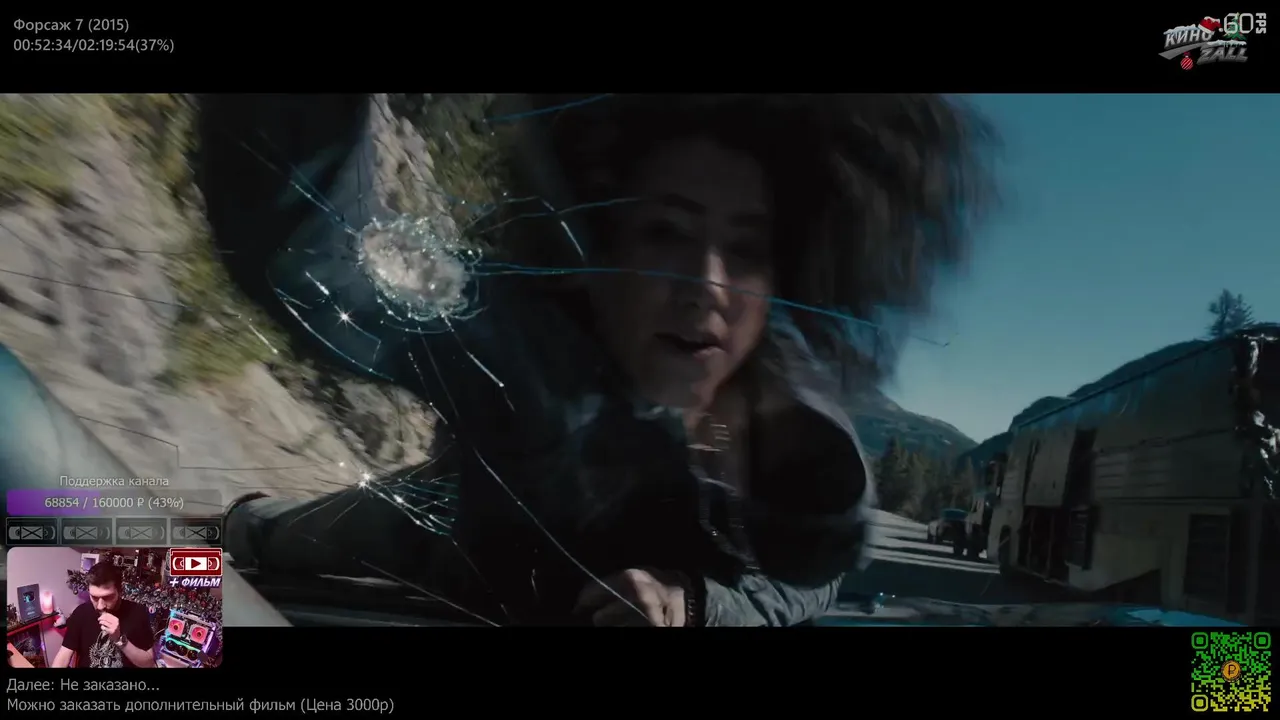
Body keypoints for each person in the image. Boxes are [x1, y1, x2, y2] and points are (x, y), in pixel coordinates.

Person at [206, 94, 997, 626]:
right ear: (597, 247)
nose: (708, 286)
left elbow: (815, 571)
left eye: (747, 249)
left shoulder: (795, 427)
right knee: (252, 547)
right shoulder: (528, 340)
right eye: (666, 233)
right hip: (460, 539)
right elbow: (313, 266)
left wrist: (698, 600)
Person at [51, 561, 155, 667]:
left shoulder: (138, 612)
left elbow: (148, 664)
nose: (100, 606)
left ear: (120, 591)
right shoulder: (80, 613)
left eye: (107, 597)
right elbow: (63, 656)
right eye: (94, 597)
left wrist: (119, 640)